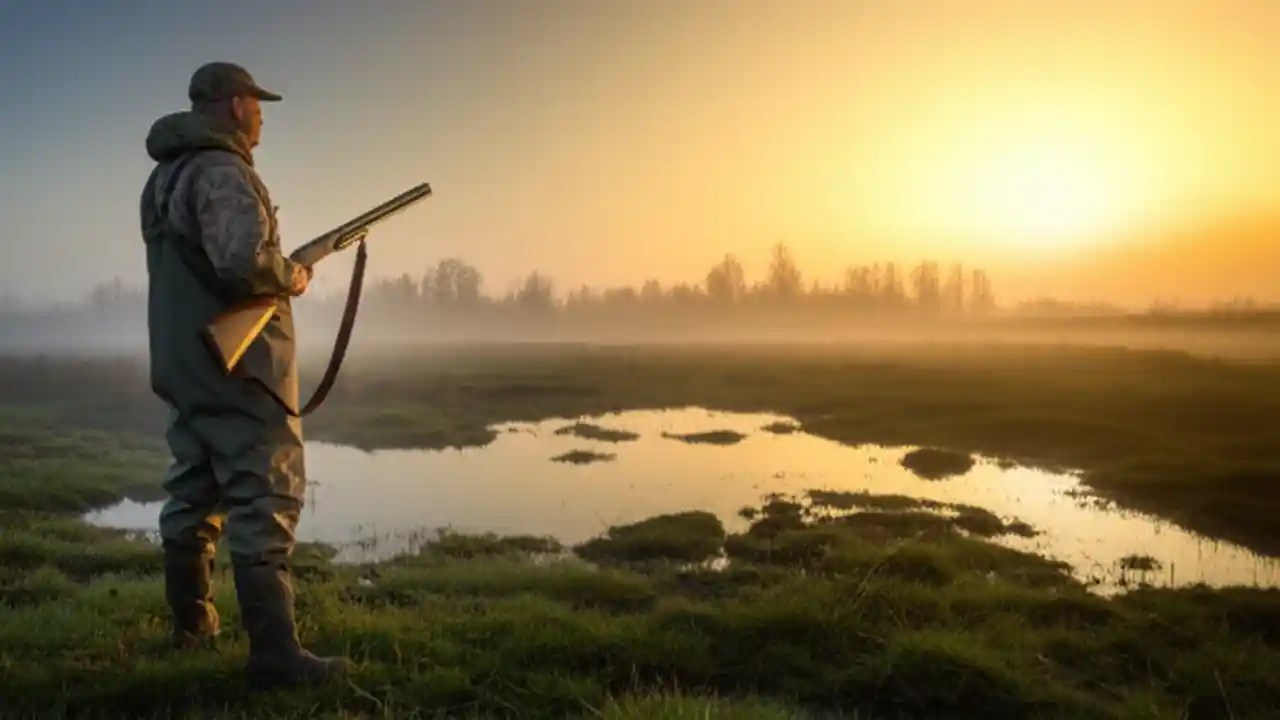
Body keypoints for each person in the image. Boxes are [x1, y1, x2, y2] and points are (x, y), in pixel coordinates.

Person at [139, 62, 347, 687]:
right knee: (265, 497)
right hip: (240, 372)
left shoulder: (164, 175)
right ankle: (276, 656)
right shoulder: (223, 170)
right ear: (234, 105)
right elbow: (243, 263)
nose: (261, 118)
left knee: (193, 495)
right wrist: (294, 274)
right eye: (257, 104)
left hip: (187, 367)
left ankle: (191, 625)